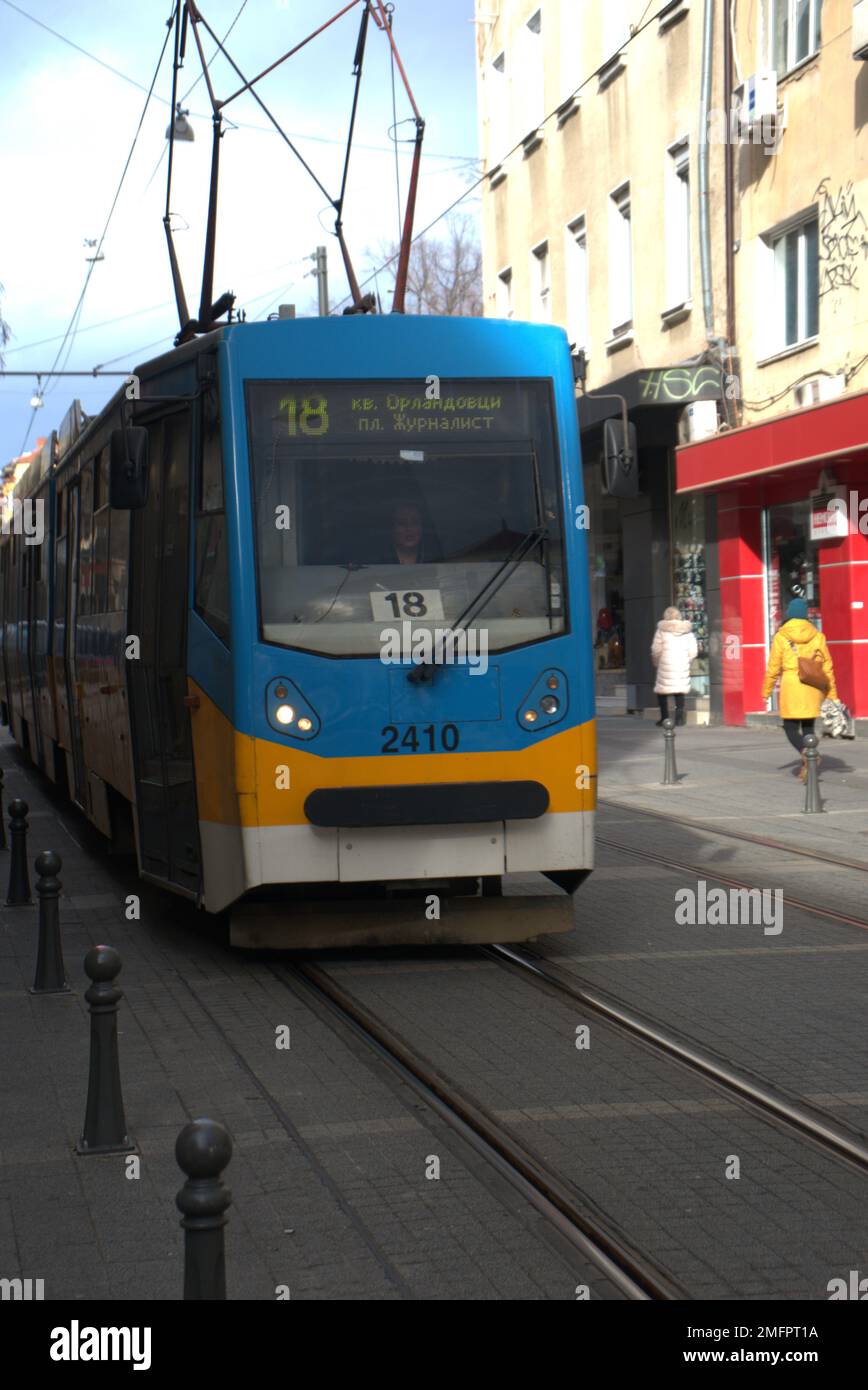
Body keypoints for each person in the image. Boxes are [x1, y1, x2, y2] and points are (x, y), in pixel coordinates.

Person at [761, 597, 838, 780]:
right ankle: (809, 766)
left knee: (790, 727)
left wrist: (766, 691)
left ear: (789, 615)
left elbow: (773, 667)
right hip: (812, 686)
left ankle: (806, 753)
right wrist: (832, 694)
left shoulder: (781, 636)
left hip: (791, 686)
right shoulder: (818, 636)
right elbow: (827, 667)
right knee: (808, 727)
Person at [651, 606, 698, 726]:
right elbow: (693, 650)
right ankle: (679, 718)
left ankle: (664, 718)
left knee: (662, 692)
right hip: (681, 664)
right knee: (679, 691)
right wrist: (688, 660)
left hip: (665, 665)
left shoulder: (661, 630)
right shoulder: (686, 631)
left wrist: (656, 662)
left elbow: (656, 649)